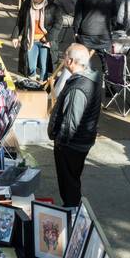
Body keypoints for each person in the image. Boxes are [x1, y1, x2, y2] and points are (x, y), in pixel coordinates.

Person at [48, 43, 101, 208]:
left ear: (70, 61)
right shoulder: (88, 79)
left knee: (69, 183)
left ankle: (71, 212)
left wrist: (59, 144)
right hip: (81, 142)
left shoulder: (78, 88)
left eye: (65, 56)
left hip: (72, 146)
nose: (63, 59)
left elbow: (70, 124)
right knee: (72, 179)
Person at [73, 0, 118, 74]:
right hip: (104, 32)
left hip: (87, 32)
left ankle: (84, 83)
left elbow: (78, 15)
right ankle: (109, 86)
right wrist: (112, 26)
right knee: (106, 62)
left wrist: (75, 30)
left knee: (83, 61)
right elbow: (114, 13)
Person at [12, 0, 62, 80]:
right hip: (31, 40)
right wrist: (15, 36)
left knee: (44, 67)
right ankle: (32, 84)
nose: (35, 0)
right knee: (31, 67)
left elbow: (58, 24)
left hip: (45, 42)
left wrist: (47, 37)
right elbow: (20, 21)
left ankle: (42, 88)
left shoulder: (53, 6)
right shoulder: (27, 4)